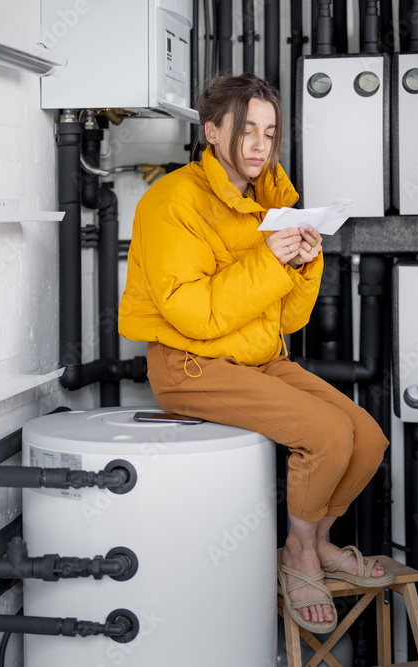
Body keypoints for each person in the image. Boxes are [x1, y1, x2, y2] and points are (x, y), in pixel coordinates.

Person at [117, 73, 392, 633]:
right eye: (247, 131)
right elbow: (193, 314)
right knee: (328, 434)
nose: (260, 145)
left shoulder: (270, 202)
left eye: (269, 132)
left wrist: (305, 263)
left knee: (366, 439)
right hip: (189, 363)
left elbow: (289, 318)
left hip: (257, 356)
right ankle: (298, 553)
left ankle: (317, 539)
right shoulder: (172, 201)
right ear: (212, 132)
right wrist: (270, 262)